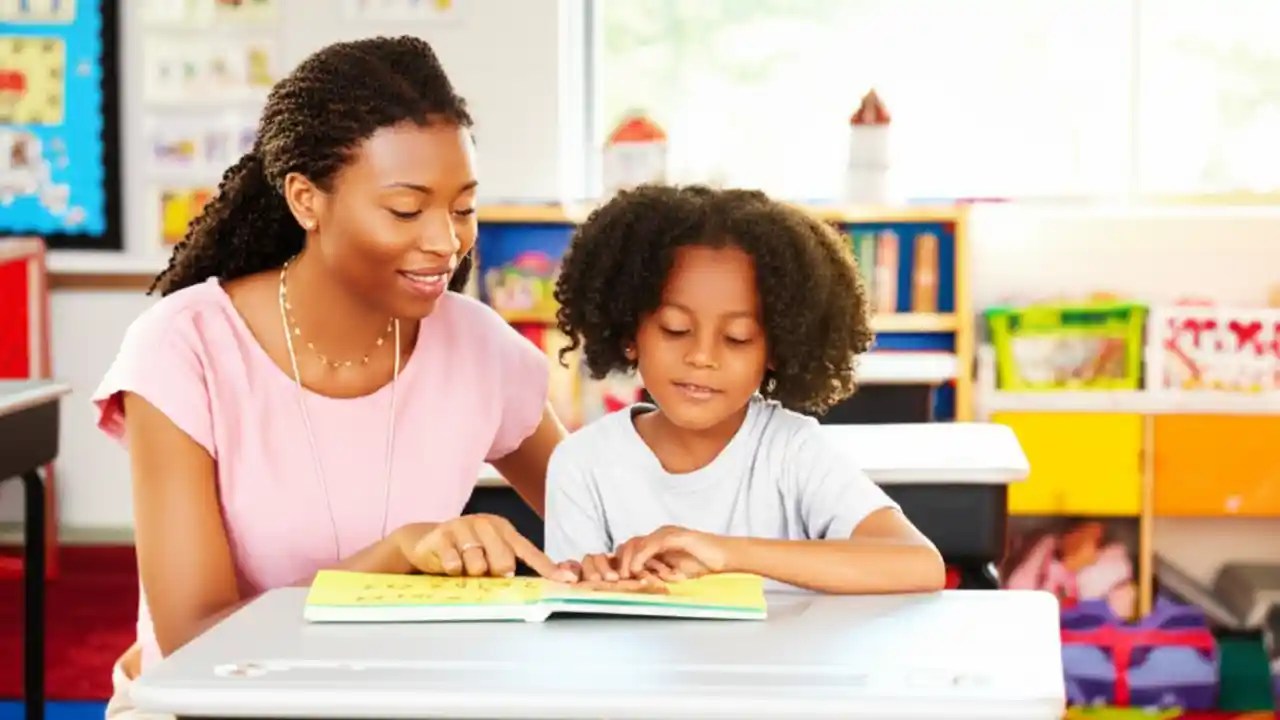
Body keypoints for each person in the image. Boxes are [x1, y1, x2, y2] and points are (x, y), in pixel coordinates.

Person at [93, 36, 574, 716]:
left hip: (394, 699)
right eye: (406, 210)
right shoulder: (184, 348)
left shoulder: (476, 346)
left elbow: (605, 523)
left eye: (463, 208)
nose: (445, 241)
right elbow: (195, 642)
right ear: (305, 200)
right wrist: (397, 555)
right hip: (215, 707)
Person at [544, 185, 946, 594]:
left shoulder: (791, 451)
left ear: (775, 350)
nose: (702, 356)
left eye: (737, 338)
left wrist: (726, 554)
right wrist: (595, 585)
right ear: (630, 333)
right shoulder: (582, 465)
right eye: (675, 329)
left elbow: (919, 565)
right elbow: (574, 616)